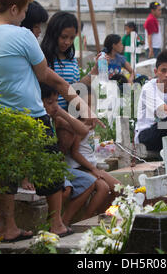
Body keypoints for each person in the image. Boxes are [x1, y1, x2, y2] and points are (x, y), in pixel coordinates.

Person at [0, 0, 96, 241]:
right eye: (26, 10)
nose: (26, 16)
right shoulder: (22, 35)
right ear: (15, 8)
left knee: (5, 174)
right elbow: (46, 75)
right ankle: (57, 225)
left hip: (0, 116)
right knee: (51, 170)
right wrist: (81, 103)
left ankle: (5, 228)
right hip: (30, 114)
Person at [40, 83, 113, 226]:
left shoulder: (57, 119)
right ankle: (59, 223)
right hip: (62, 168)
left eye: (57, 102)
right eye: (50, 103)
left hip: (66, 168)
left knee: (91, 183)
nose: (55, 106)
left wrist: (60, 112)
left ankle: (73, 222)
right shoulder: (38, 120)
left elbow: (82, 131)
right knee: (66, 190)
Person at [40, 11, 80, 110]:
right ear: (54, 34)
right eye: (64, 37)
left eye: (72, 38)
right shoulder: (41, 58)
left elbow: (74, 88)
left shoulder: (71, 58)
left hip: (68, 116)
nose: (68, 42)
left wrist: (94, 72)